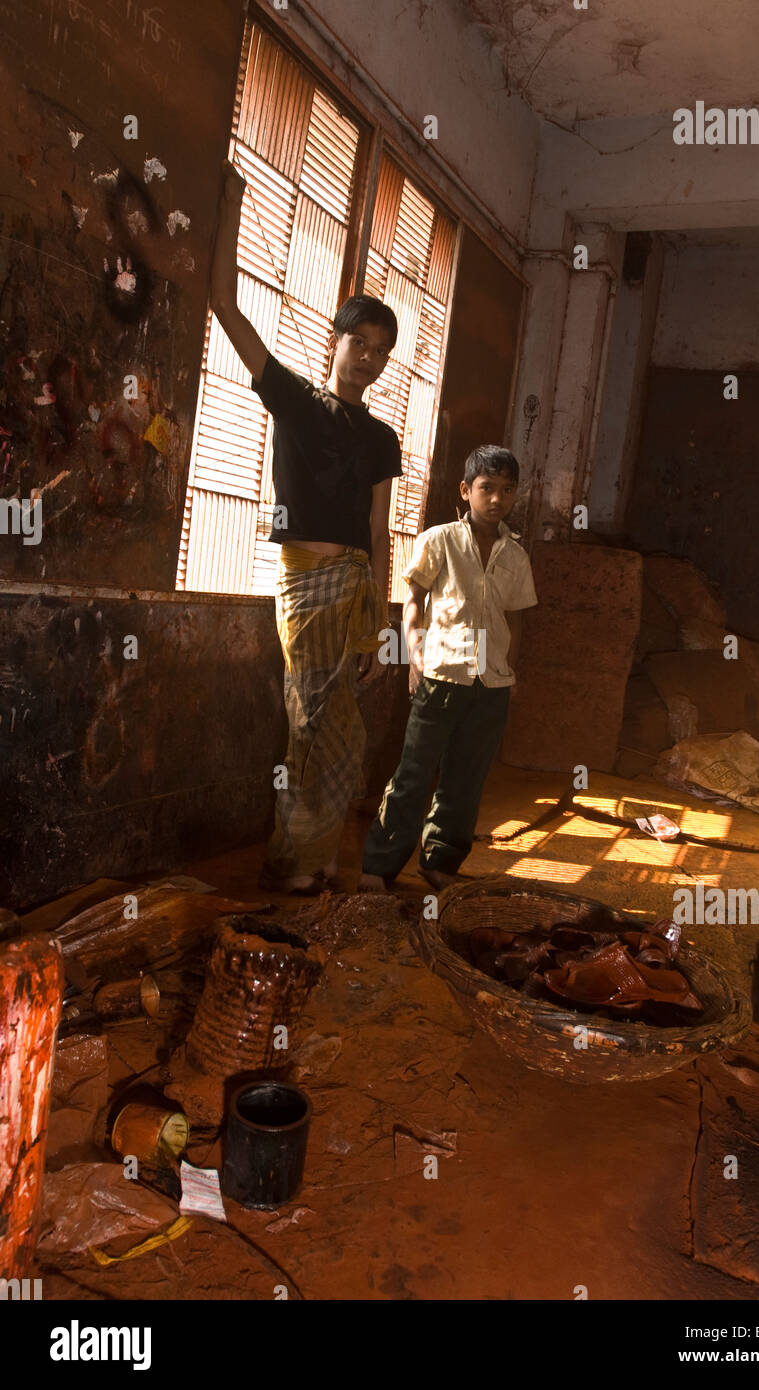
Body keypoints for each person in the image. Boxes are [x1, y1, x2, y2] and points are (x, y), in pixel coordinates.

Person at [210, 159, 402, 893]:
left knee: (345, 734)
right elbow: (225, 306)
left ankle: (315, 860)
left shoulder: (383, 437)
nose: (370, 361)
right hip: (304, 586)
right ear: (337, 340)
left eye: (382, 353)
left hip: (355, 590)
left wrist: (383, 626)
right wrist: (231, 206)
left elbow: (379, 530)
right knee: (309, 723)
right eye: (360, 344)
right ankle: (293, 864)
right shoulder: (294, 400)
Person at [359, 445, 538, 892]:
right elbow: (414, 601)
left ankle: (441, 862)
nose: (497, 499)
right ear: (466, 490)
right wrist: (414, 657)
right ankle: (379, 865)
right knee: (413, 774)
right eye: (487, 488)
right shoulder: (439, 540)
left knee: (466, 779)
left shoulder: (515, 556)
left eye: (507, 490)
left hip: (491, 682)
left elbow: (515, 618)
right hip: (442, 674)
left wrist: (509, 671)